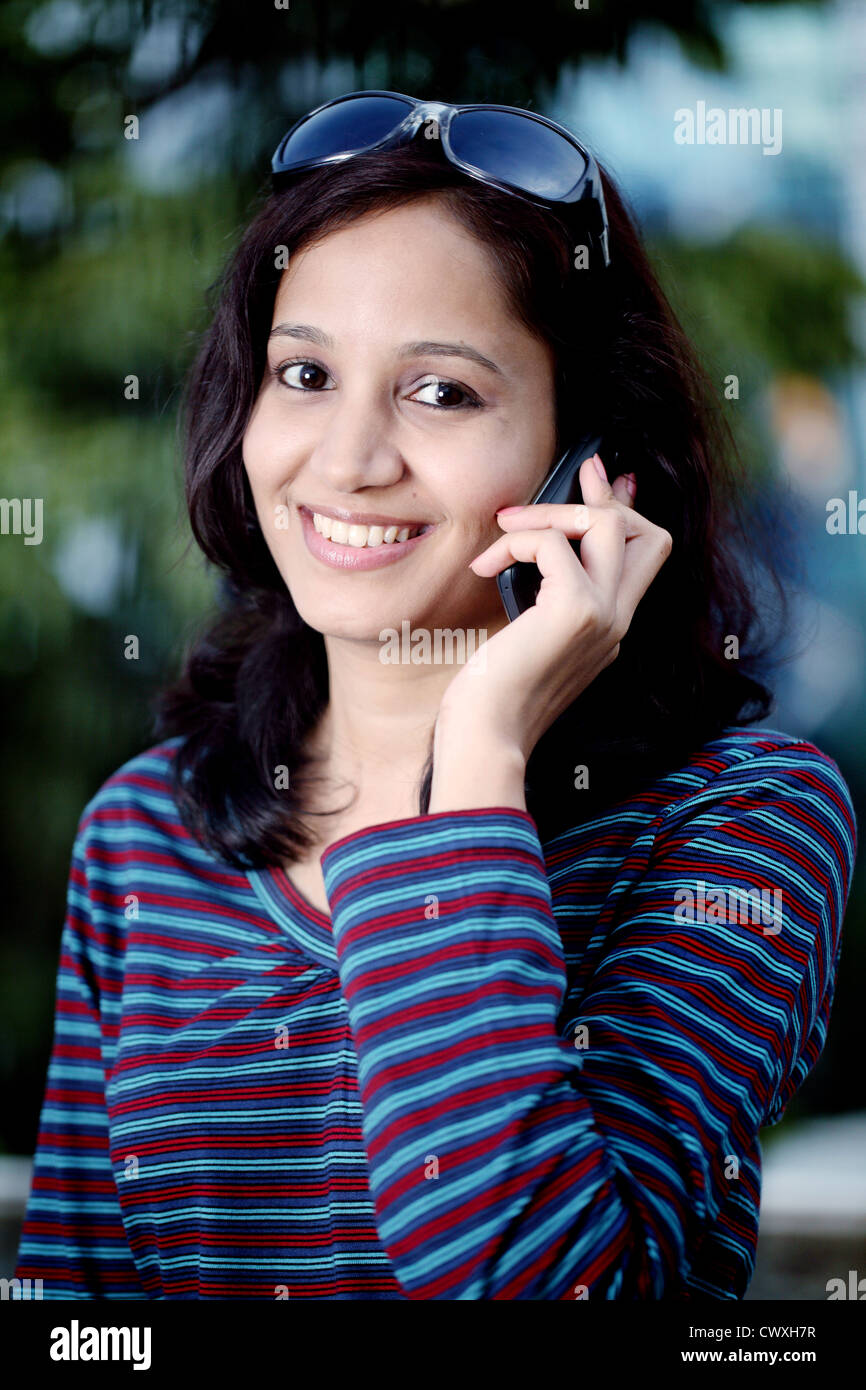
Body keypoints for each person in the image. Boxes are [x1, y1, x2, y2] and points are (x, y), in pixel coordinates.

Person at [15, 92, 856, 1300]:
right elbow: (79, 1314)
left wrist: (477, 754)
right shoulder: (148, 830)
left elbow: (536, 1281)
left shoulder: (739, 824)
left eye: (442, 392)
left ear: (589, 460)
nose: (347, 460)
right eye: (302, 372)